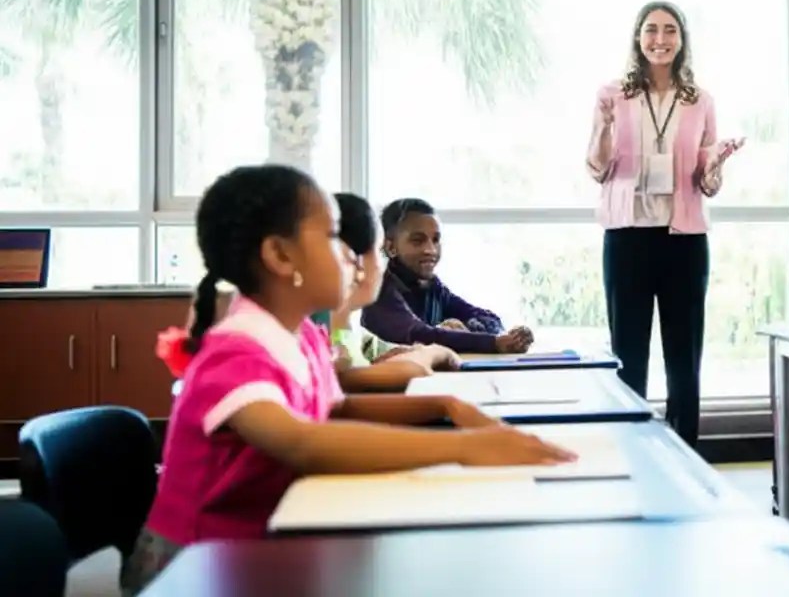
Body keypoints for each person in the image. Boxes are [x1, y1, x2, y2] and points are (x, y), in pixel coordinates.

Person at [121, 165, 574, 596]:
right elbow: (303, 442)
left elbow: (335, 408)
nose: (353, 258)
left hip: (264, 536)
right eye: (334, 236)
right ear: (280, 255)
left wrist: (446, 408)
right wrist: (464, 448)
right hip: (197, 564)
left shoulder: (303, 338)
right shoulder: (236, 351)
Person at [586, 0, 744, 447]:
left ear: (682, 39)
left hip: (684, 242)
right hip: (627, 237)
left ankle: (686, 452)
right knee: (628, 355)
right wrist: (602, 127)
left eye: (670, 30)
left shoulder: (700, 101)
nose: (660, 39)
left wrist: (715, 163)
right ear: (638, 37)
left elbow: (707, 184)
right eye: (651, 29)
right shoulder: (613, 95)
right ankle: (632, 451)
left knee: (683, 356)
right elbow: (597, 169)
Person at [320, 192, 461, 393]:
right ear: (353, 260)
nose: (382, 266)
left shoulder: (352, 331)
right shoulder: (318, 334)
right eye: (379, 251)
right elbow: (410, 369)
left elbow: (390, 352)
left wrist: (417, 351)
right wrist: (435, 353)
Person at [361, 198, 534, 355]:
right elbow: (419, 335)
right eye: (417, 241)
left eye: (435, 240)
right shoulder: (380, 292)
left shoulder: (433, 286)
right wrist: (493, 342)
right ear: (391, 248)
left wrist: (502, 336)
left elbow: (484, 317)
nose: (431, 250)